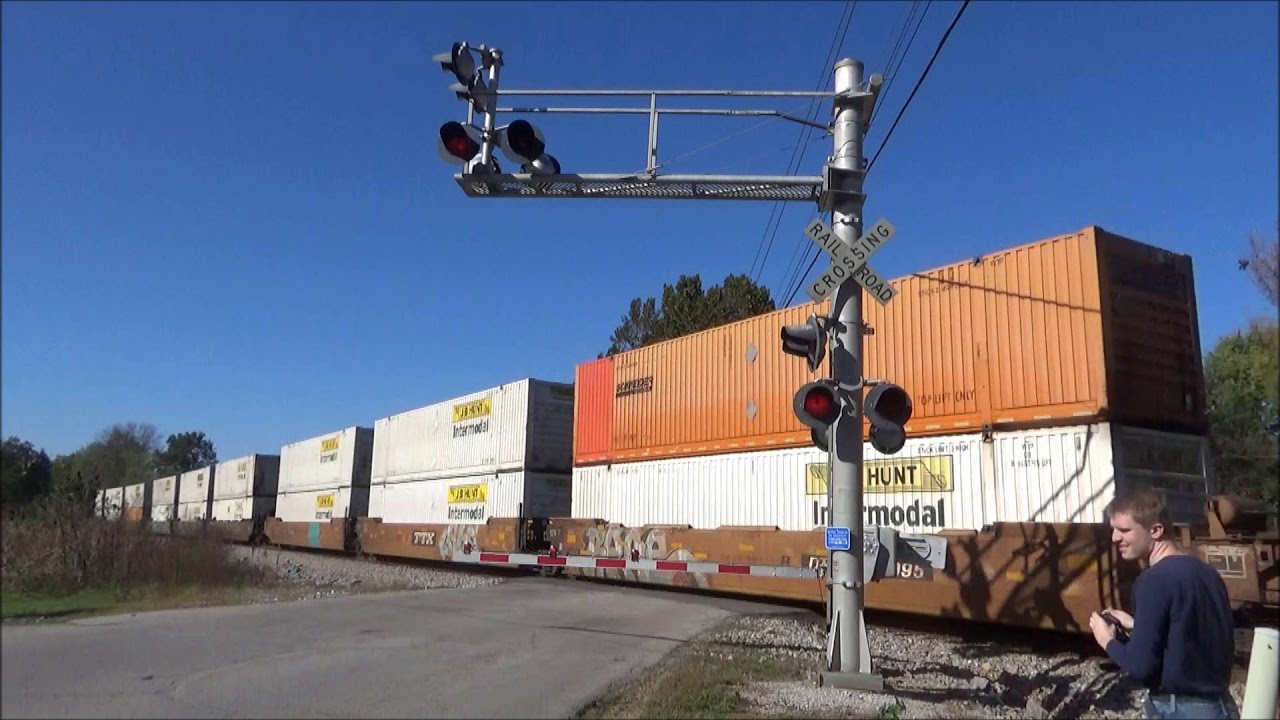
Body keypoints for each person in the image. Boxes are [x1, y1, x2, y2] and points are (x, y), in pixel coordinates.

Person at [1089, 486, 1239, 719]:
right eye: (1113, 530)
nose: (1114, 538)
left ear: (1156, 530)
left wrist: (1107, 639)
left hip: (1181, 710)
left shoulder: (1152, 581)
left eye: (1124, 530)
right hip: (1221, 706)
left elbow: (1141, 668)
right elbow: (1191, 636)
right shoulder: (1208, 573)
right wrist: (1138, 626)